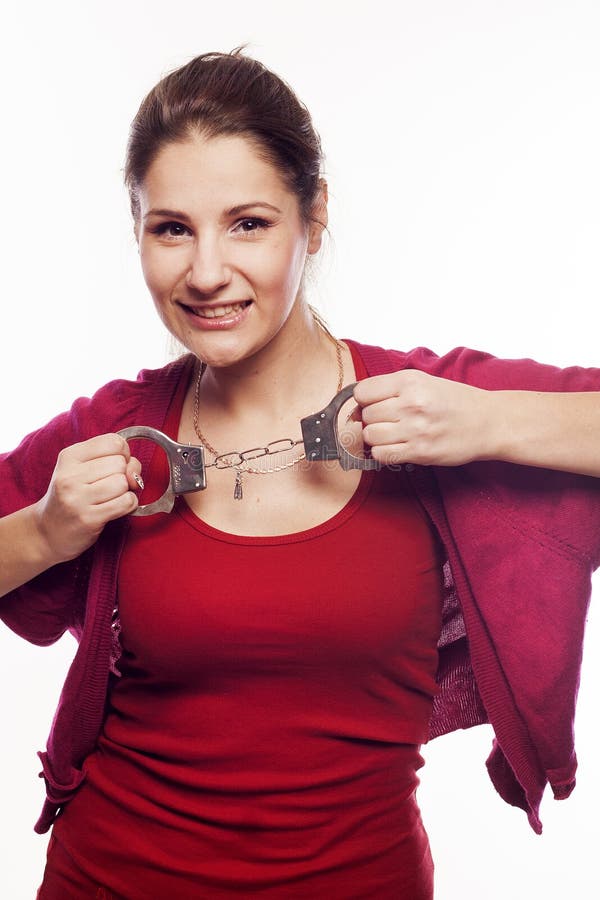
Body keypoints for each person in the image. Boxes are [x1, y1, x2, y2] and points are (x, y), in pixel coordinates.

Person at [2, 48, 600, 900]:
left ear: (313, 219)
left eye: (248, 223)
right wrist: (43, 530)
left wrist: (490, 421)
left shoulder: (431, 404)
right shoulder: (119, 427)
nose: (206, 272)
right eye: (171, 228)